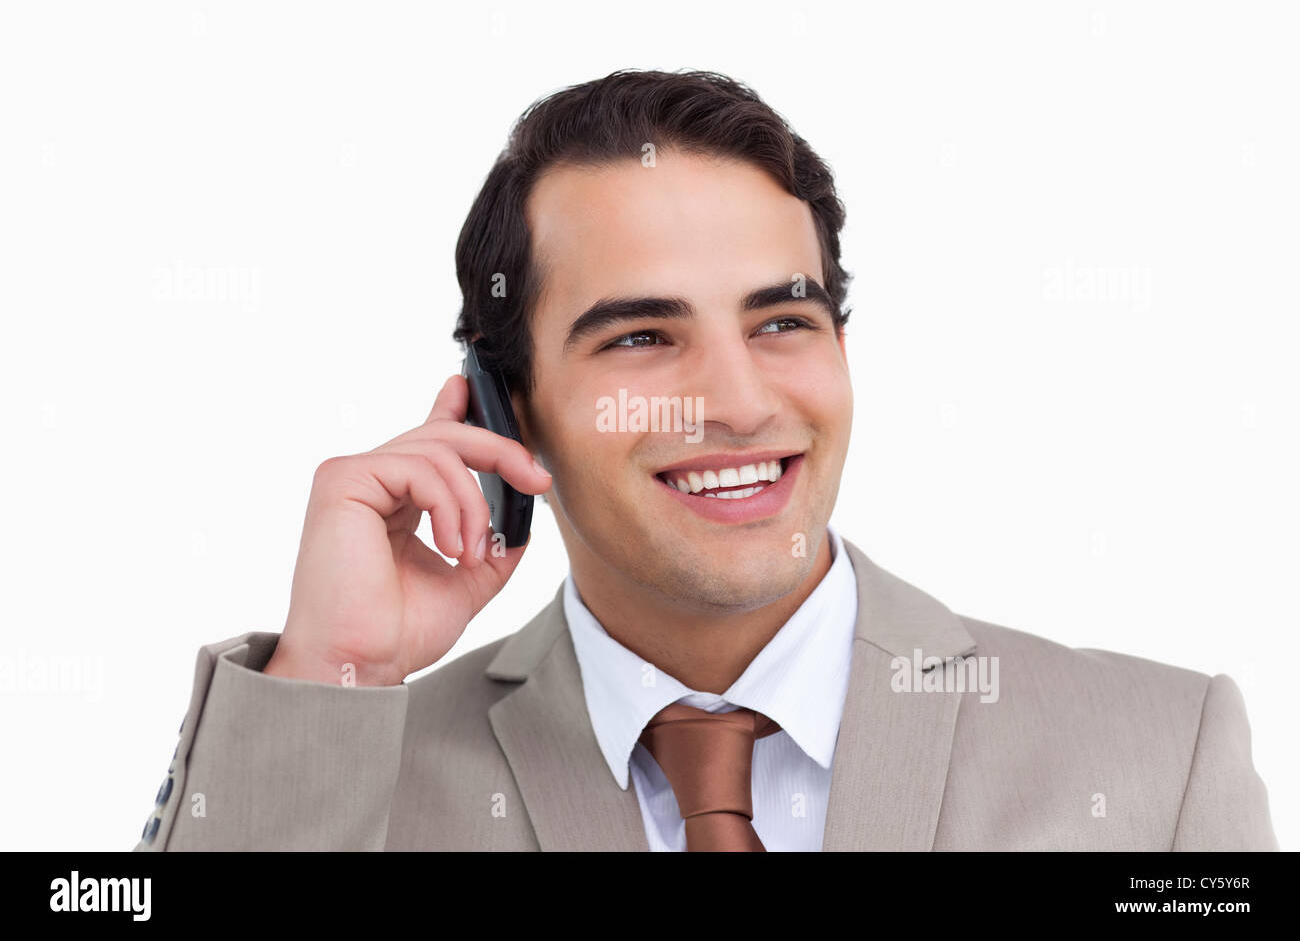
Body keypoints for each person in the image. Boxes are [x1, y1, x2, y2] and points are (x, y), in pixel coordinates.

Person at [134, 69, 1278, 851]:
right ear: (507, 406)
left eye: (783, 320)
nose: (735, 401)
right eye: (642, 336)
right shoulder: (349, 782)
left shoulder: (1159, 762)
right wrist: (328, 672)